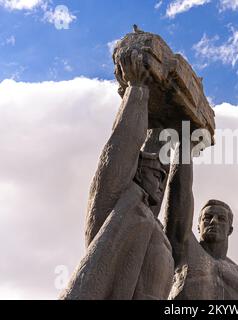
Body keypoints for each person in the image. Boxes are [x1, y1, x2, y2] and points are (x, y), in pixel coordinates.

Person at [60, 51, 174, 300]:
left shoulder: (146, 219)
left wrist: (170, 130)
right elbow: (124, 143)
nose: (161, 182)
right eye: (156, 174)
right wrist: (137, 88)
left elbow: (159, 150)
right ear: (136, 171)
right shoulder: (117, 205)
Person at [165, 143, 238, 300]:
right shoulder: (185, 249)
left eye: (221, 219)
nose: (213, 221)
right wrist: (185, 143)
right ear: (198, 226)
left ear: (230, 229)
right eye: (207, 217)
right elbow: (180, 194)